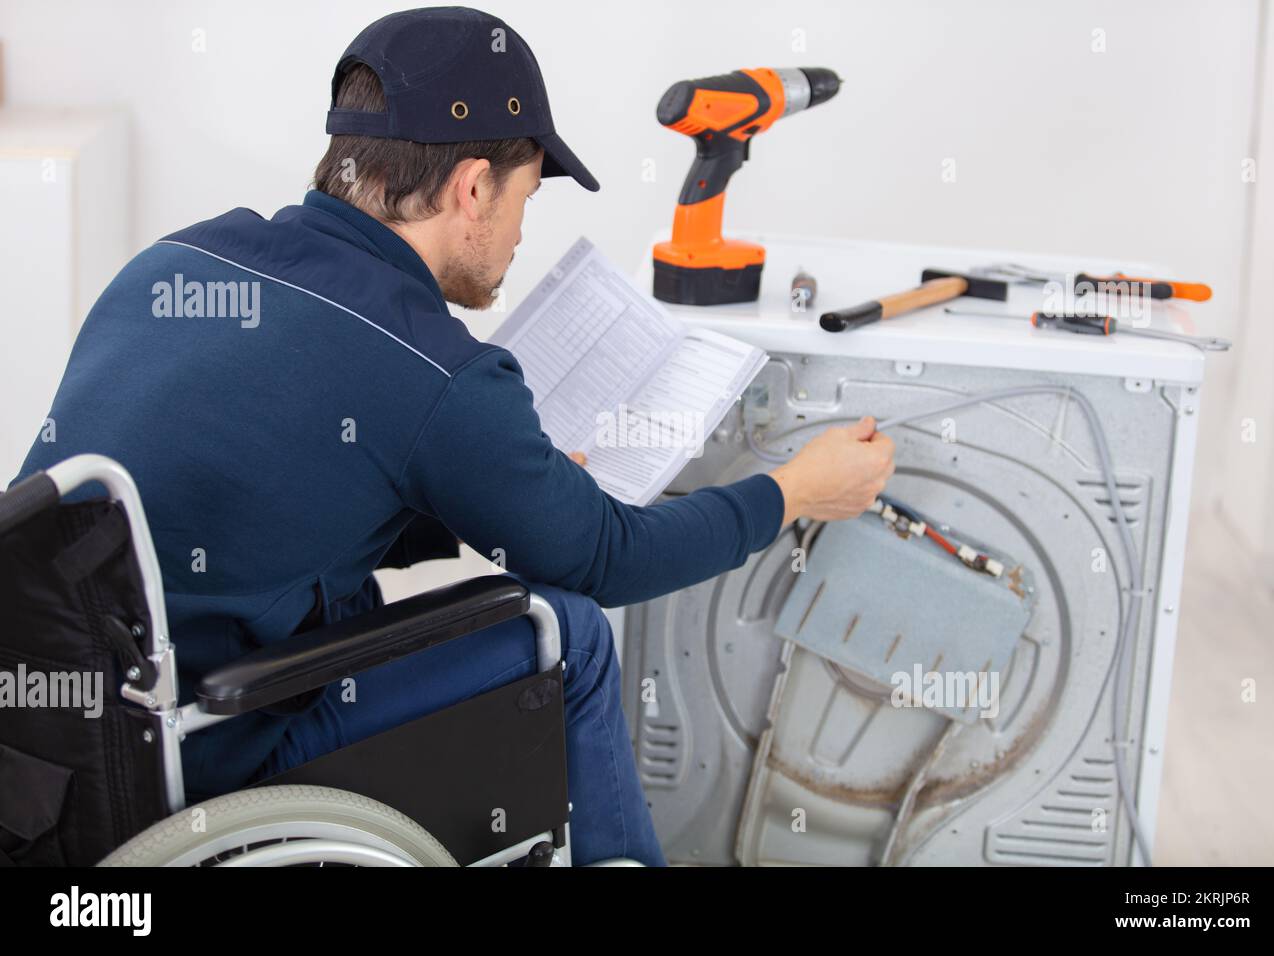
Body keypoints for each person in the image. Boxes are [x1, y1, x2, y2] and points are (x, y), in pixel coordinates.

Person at [12, 7, 894, 866]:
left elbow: (265, 497)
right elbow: (607, 559)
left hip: (53, 760)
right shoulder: (433, 367)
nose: (516, 232)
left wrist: (477, 500)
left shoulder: (176, 262)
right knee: (570, 629)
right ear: (472, 187)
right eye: (523, 198)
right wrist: (796, 492)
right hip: (202, 760)